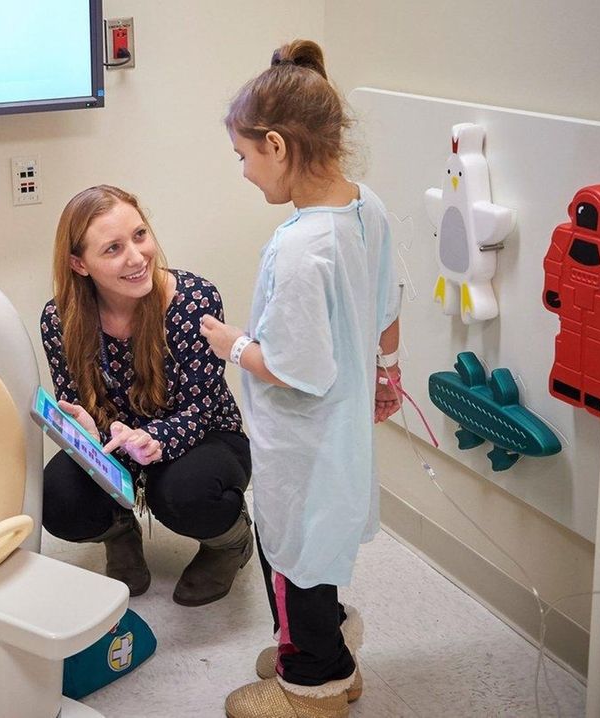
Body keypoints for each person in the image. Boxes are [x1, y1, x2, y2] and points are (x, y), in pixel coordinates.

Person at [198, 40, 402, 718]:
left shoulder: (300, 246)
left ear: (278, 147)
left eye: (244, 157)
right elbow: (387, 306)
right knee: (325, 543)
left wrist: (233, 344)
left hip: (304, 439)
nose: (245, 173)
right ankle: (323, 648)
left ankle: (310, 683)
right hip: (345, 432)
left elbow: (291, 370)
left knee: (290, 553)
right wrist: (386, 373)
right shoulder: (366, 207)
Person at [40, 184, 253, 607]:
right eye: (113, 248)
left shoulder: (195, 299)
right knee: (57, 497)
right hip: (116, 442)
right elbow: (75, 403)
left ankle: (229, 543)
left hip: (202, 437)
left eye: (140, 235)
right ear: (79, 264)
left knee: (183, 491)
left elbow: (199, 409)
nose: (137, 258)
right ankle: (119, 531)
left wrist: (153, 441)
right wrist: (85, 434)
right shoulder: (59, 318)